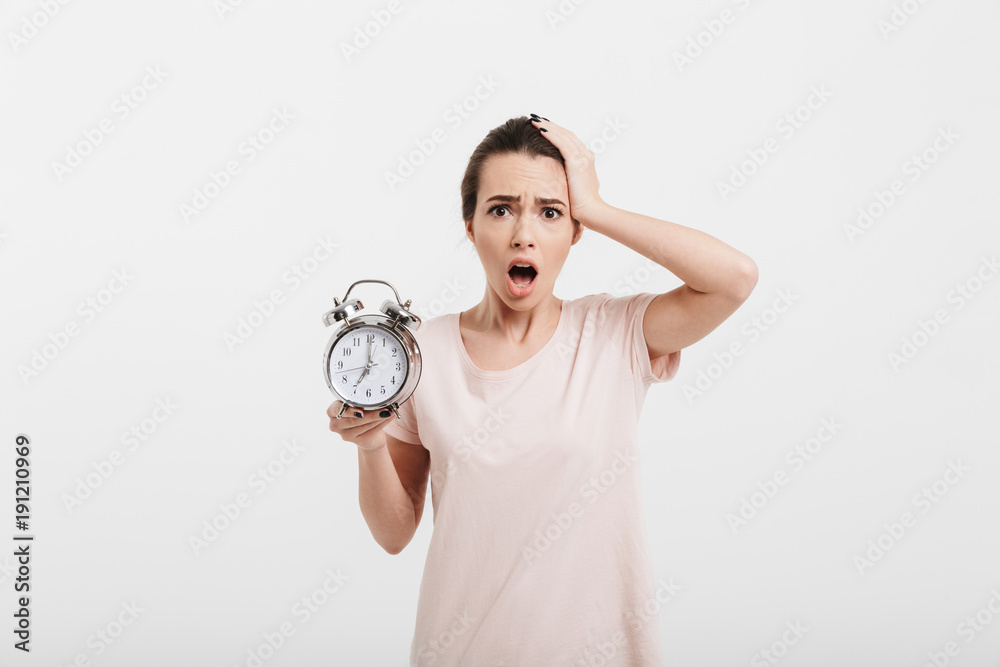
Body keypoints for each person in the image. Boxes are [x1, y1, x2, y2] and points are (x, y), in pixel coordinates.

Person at [327, 114, 758, 665]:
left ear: (575, 230)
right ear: (470, 224)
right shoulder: (419, 355)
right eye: (501, 209)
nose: (522, 234)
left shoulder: (613, 333)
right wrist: (368, 445)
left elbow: (735, 278)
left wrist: (598, 207)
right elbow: (393, 532)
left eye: (551, 213)